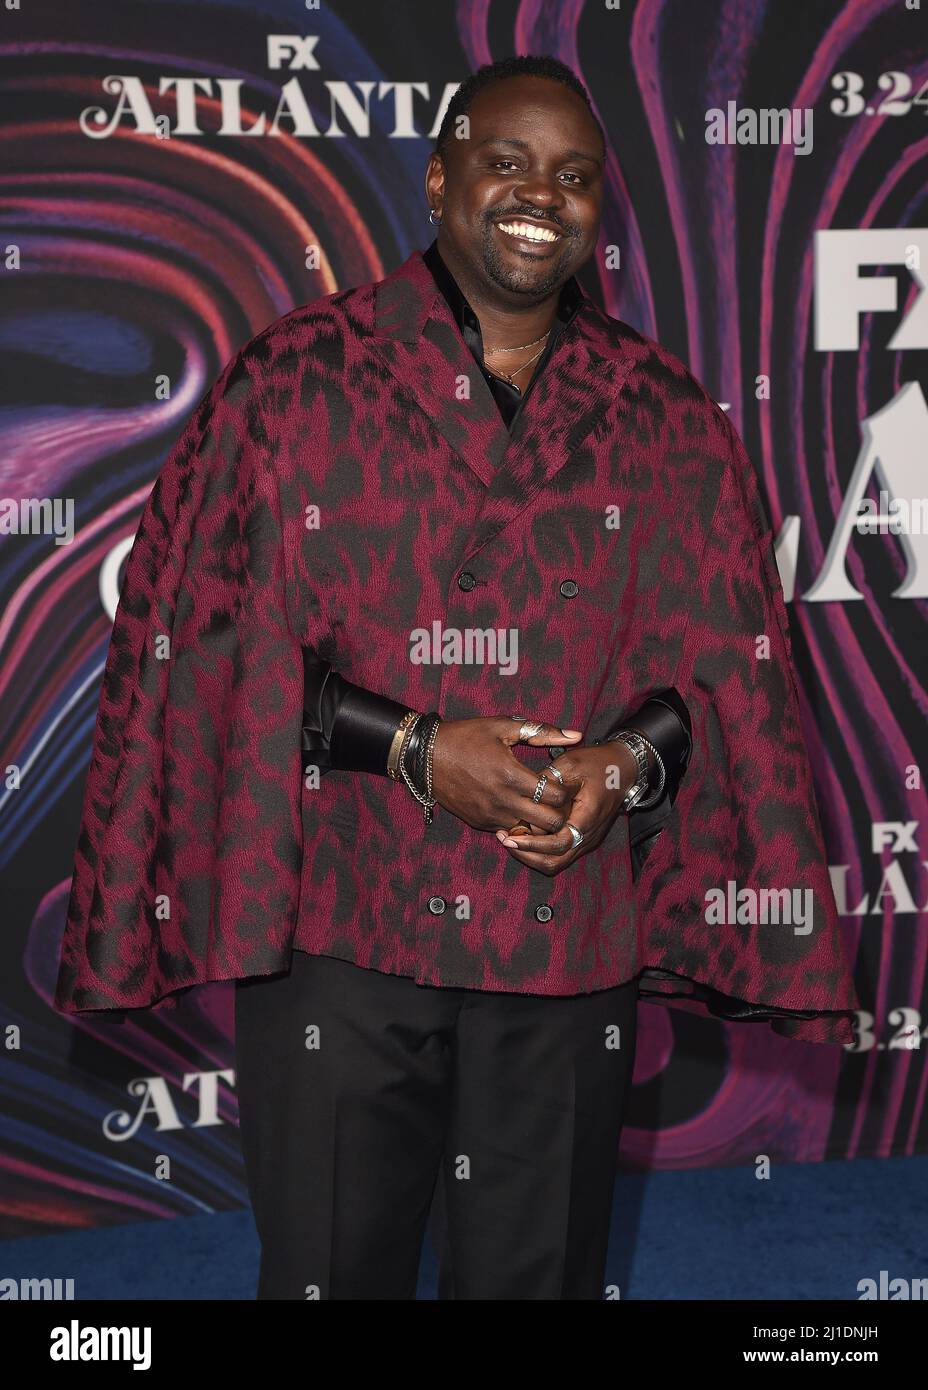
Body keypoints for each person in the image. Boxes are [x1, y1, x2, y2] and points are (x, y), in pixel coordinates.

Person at [56, 54, 860, 1300]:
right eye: (507, 161)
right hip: (345, 931)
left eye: (575, 175)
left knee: (535, 1281)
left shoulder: (665, 411)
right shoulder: (297, 380)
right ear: (438, 180)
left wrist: (627, 761)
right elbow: (212, 659)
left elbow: (722, 671)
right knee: (332, 1270)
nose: (542, 194)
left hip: (566, 935)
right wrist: (420, 749)